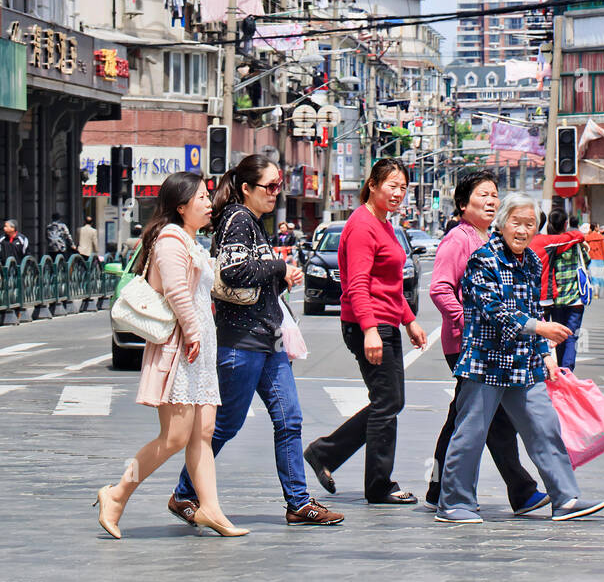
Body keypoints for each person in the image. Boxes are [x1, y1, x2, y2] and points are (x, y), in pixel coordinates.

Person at [169, 153, 343, 528]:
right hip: (242, 341)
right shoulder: (238, 219)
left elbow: (254, 279)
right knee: (225, 425)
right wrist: (280, 267)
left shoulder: (255, 223)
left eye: (279, 186)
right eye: (270, 186)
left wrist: (280, 278)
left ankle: (298, 502)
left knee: (290, 419)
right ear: (246, 188)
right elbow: (234, 271)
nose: (276, 193)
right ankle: (185, 492)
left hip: (270, 339)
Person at [435, 193, 604, 524]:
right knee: (470, 433)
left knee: (545, 428)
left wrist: (546, 353)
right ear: (501, 224)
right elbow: (494, 309)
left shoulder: (532, 261)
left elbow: (532, 306)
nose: (524, 230)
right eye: (517, 222)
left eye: (530, 224)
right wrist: (539, 329)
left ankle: (565, 498)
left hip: (524, 364)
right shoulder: (482, 260)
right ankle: (454, 502)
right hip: (485, 363)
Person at [94, 172, 248, 539]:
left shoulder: (193, 241)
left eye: (208, 197)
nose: (209, 203)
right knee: (175, 437)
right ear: (181, 206)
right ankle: (116, 493)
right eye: (201, 198)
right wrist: (194, 333)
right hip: (180, 348)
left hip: (199, 348)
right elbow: (178, 293)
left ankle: (210, 508)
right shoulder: (170, 240)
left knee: (203, 434)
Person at [304, 158, 427, 505]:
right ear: (372, 185)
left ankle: (325, 454)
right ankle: (377, 484)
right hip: (367, 323)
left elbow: (388, 284)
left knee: (390, 401)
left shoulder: (385, 224)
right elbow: (357, 284)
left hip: (385, 321)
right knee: (388, 402)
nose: (398, 193)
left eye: (403, 187)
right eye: (391, 185)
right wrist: (370, 329)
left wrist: (409, 320)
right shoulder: (361, 225)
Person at [426, 169, 547, 515]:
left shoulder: (488, 237)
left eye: (494, 195)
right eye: (482, 195)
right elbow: (440, 288)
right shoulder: (459, 240)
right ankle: (520, 491)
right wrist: (467, 322)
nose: (491, 200)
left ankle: (438, 488)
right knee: (492, 422)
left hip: (492, 346)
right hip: (469, 345)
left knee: (462, 420)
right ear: (463, 204)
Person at [532, 215, 590, 373]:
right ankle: (565, 372)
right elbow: (581, 245)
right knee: (566, 336)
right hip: (557, 298)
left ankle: (539, 373)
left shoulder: (516, 242)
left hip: (553, 300)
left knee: (540, 336)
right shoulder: (549, 243)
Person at [584, 222, 604, 297]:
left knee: (593, 275)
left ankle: (595, 291)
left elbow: (586, 249)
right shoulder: (600, 237)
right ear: (595, 227)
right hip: (600, 258)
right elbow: (603, 249)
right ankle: (598, 289)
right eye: (597, 227)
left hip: (591, 258)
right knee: (600, 275)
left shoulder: (588, 237)